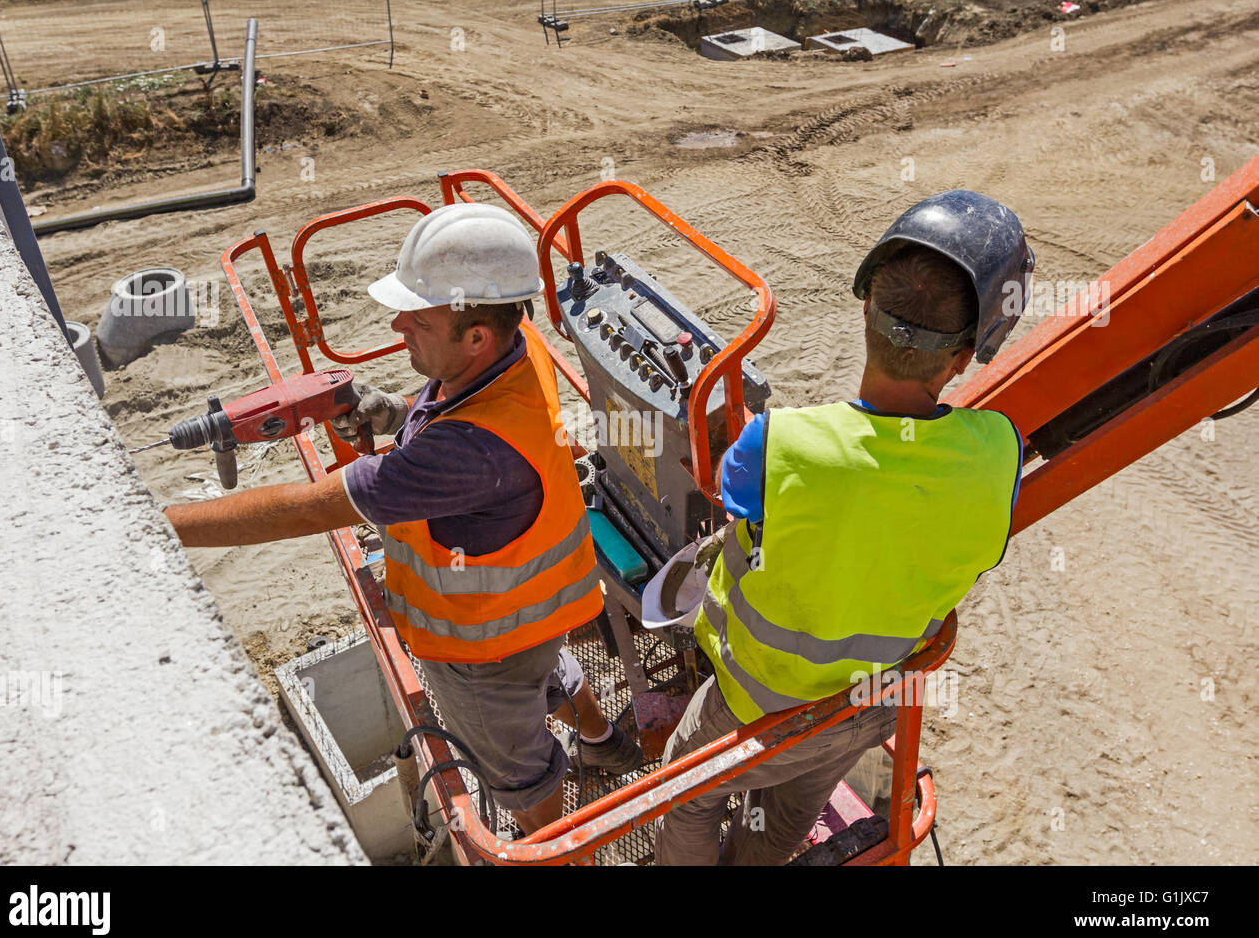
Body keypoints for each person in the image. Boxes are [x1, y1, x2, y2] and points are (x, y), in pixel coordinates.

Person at [167, 203, 642, 837]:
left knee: (522, 773)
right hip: (538, 609)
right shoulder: (514, 346)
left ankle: (557, 847)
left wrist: (157, 523)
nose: (395, 324)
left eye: (415, 317)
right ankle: (603, 738)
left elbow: (311, 507)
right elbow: (457, 424)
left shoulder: (467, 450)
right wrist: (392, 412)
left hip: (477, 647)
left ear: (475, 334)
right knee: (544, 675)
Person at [652, 190, 1033, 865]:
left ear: (865, 310)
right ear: (967, 356)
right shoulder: (998, 448)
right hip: (875, 703)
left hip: (757, 703)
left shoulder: (781, 443)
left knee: (685, 793)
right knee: (791, 811)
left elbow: (728, 488)